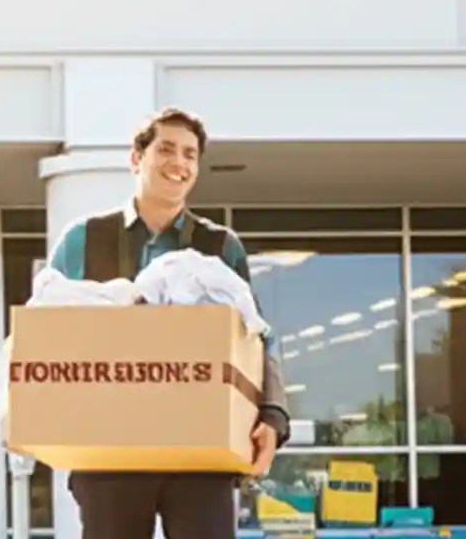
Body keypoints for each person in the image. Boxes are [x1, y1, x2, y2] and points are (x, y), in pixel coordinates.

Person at [47, 107, 291, 539]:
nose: (179, 163)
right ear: (136, 157)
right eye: (166, 149)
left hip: (202, 449)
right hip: (110, 450)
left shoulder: (219, 247)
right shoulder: (83, 240)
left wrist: (272, 415)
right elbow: (49, 329)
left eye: (190, 154)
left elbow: (256, 335)